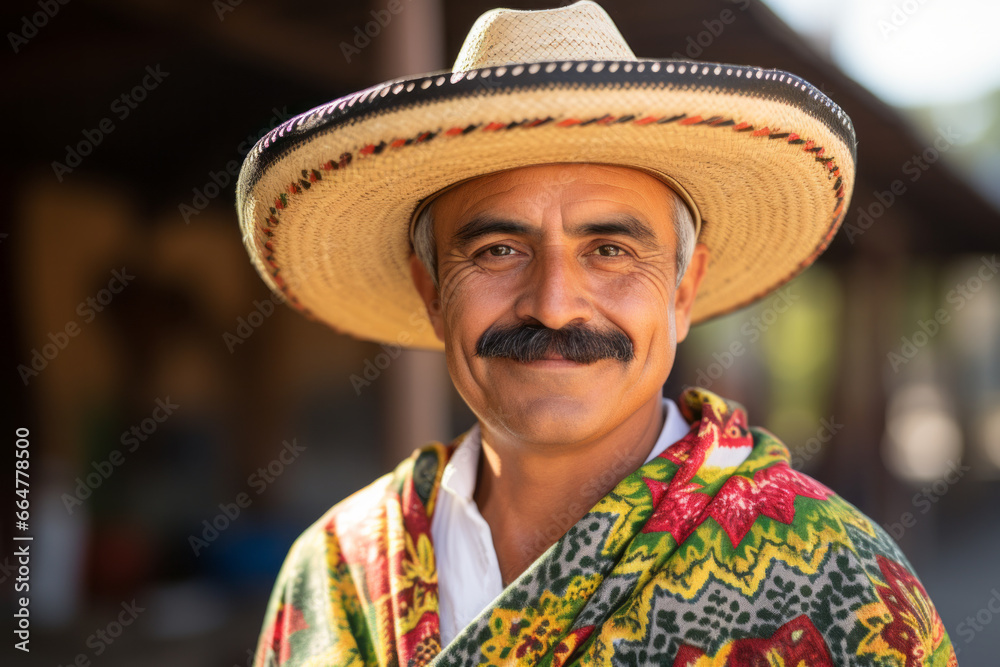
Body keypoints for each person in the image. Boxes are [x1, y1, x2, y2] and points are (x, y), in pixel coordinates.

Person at [236, 2, 957, 665]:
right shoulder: (334, 570)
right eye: (497, 251)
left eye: (609, 250)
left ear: (683, 288)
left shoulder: (843, 582)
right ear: (431, 292)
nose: (554, 306)